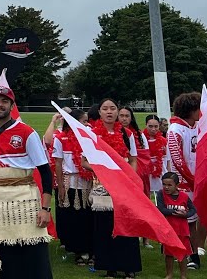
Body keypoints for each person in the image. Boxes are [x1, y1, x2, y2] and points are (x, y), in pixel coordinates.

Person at [0, 74, 52, 279]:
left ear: (11, 105)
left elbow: (45, 171)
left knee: (32, 246)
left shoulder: (26, 132)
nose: (0, 105)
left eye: (4, 101)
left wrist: (45, 208)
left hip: (24, 194)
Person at [88, 98, 140, 279]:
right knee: (105, 227)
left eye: (112, 108)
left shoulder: (127, 134)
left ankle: (129, 267)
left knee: (127, 224)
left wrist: (130, 176)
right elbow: (84, 162)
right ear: (99, 112)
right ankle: (109, 267)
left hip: (125, 185)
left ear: (118, 112)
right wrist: (105, 169)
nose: (109, 112)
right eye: (105, 108)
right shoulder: (92, 134)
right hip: (103, 186)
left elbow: (133, 159)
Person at [166, 91, 203, 270]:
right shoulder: (175, 130)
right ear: (190, 109)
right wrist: (191, 179)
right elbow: (177, 160)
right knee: (181, 221)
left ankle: (193, 255)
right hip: (182, 183)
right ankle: (180, 253)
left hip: (197, 181)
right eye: (198, 108)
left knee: (193, 220)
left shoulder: (197, 126)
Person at [50, 108, 92, 265]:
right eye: (84, 121)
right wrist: (60, 186)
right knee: (74, 217)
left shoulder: (87, 137)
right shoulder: (60, 138)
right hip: (71, 183)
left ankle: (88, 248)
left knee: (87, 216)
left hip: (87, 182)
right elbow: (58, 163)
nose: (87, 124)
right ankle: (78, 250)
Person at [157, 172, 193, 279]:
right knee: (168, 253)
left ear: (177, 185)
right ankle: (169, 274)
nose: (166, 187)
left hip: (182, 230)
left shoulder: (184, 196)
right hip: (168, 230)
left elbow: (193, 210)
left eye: (169, 185)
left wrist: (185, 214)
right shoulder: (160, 194)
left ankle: (183, 275)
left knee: (183, 253)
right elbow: (161, 209)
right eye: (164, 184)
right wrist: (175, 212)